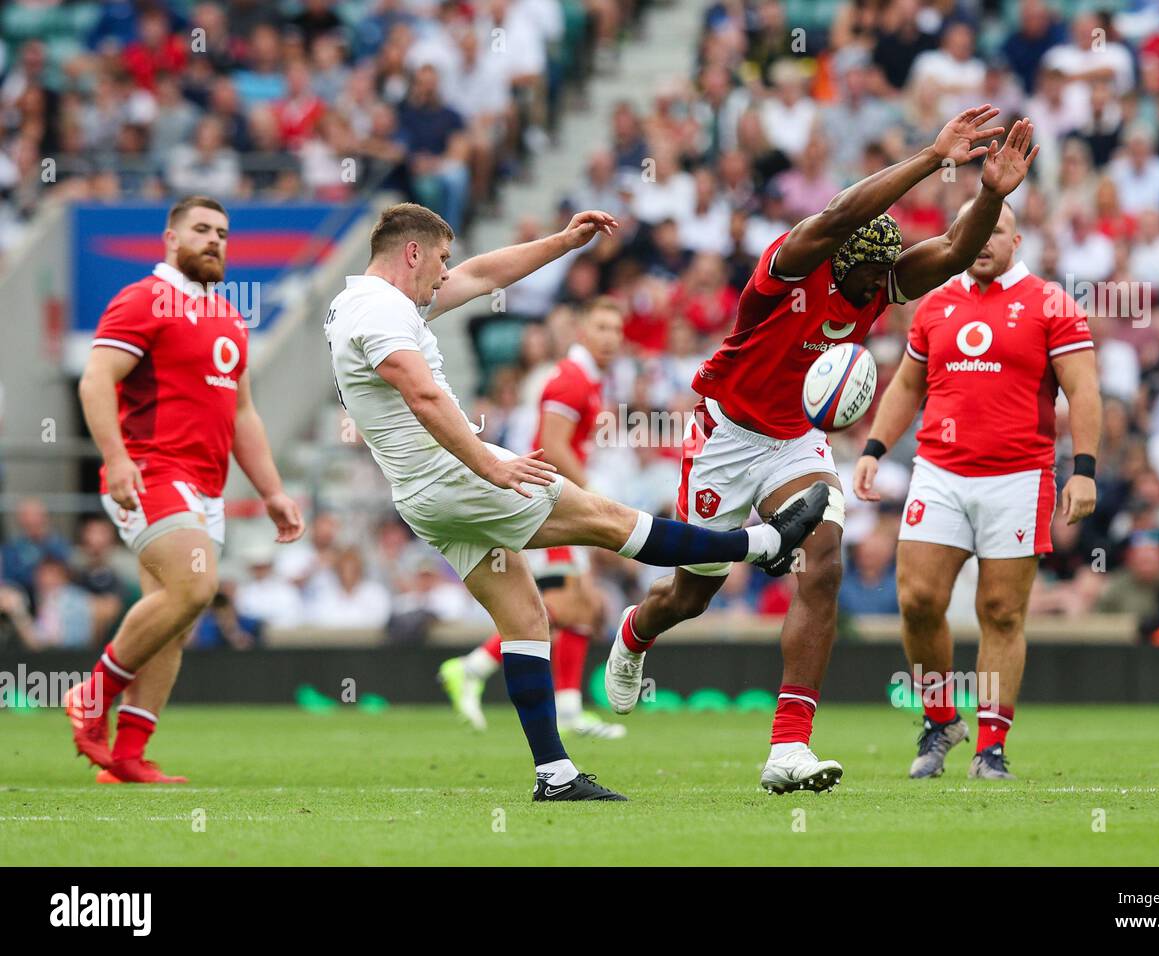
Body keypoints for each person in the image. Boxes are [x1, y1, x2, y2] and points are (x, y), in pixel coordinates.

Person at [324, 203, 826, 802]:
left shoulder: (373, 301)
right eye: (439, 259)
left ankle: (554, 776)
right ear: (412, 252)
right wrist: (491, 462)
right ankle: (764, 543)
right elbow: (424, 394)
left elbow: (484, 276)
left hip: (422, 494)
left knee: (527, 620)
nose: (445, 271)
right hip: (457, 475)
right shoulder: (380, 310)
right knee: (608, 520)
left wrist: (563, 242)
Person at [604, 107, 1041, 794]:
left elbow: (955, 253)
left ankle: (788, 747)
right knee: (691, 595)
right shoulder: (791, 264)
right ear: (841, 258)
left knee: (823, 566)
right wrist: (932, 157)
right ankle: (636, 633)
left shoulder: (880, 278)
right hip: (727, 433)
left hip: (794, 440)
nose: (878, 288)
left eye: (882, 277)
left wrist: (990, 193)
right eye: (866, 276)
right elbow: (837, 215)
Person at [854, 195, 1100, 780]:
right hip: (939, 471)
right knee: (917, 601)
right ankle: (942, 721)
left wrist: (1085, 469)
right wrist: (873, 450)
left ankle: (991, 746)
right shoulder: (935, 304)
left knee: (1001, 612)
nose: (984, 239)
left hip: (1019, 474)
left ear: (1017, 243)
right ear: (958, 236)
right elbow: (907, 386)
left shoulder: (1051, 304)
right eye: (974, 229)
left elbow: (1084, 391)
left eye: (997, 230)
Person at [67, 196, 305, 784]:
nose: (215, 240)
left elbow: (243, 414)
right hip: (150, 472)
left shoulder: (227, 316)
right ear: (170, 239)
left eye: (222, 232)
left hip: (206, 488)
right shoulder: (143, 299)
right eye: (201, 230)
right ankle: (90, 697)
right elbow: (96, 379)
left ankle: (127, 757)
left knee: (175, 618)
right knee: (197, 585)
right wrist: (116, 459)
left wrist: (271, 490)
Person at [439, 298, 629, 739]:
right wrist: (594, 498)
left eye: (617, 330)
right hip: (545, 500)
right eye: (601, 327)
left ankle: (567, 708)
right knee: (559, 606)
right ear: (582, 331)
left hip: (555, 497)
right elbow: (553, 446)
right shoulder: (572, 381)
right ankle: (473, 666)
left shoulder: (586, 379)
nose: (610, 338)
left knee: (583, 608)